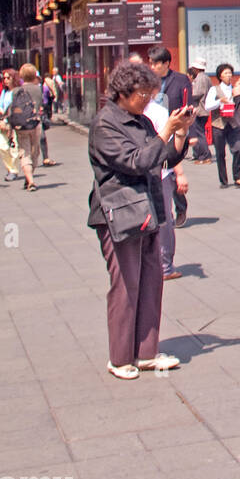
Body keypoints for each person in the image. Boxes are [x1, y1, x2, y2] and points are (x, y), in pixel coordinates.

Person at [88, 58, 191, 378]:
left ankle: (146, 351)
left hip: (148, 209)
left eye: (151, 94)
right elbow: (135, 161)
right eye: (143, 94)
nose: (148, 100)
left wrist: (180, 134)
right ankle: (120, 357)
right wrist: (165, 132)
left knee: (151, 281)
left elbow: (163, 158)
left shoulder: (142, 121)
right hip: (118, 213)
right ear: (123, 92)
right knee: (125, 285)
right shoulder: (105, 124)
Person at [143, 84, 188, 282]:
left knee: (159, 219)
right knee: (163, 221)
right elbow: (166, 145)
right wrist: (179, 173)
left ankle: (159, 264)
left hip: (157, 172)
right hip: (156, 173)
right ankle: (164, 265)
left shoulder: (155, 111)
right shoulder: (156, 112)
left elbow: (169, 149)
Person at [149, 47, 193, 225]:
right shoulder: (149, 80)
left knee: (173, 173)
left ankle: (180, 208)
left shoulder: (180, 80)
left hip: (175, 130)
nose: (151, 66)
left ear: (166, 63)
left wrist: (190, 131)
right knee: (163, 173)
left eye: (155, 63)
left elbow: (188, 105)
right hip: (154, 129)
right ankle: (163, 212)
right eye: (150, 63)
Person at [204, 63, 240, 189]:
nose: (228, 75)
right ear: (220, 76)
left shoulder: (235, 89)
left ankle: (238, 177)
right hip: (218, 123)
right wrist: (219, 101)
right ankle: (223, 180)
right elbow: (207, 106)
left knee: (239, 149)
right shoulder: (214, 90)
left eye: (230, 73)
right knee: (220, 153)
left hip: (233, 122)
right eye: (226, 73)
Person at [7, 64, 46, 191]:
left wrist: (10, 128)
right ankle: (29, 177)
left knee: (24, 152)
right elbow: (39, 106)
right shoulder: (38, 89)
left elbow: (13, 110)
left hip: (21, 125)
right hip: (35, 123)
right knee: (35, 152)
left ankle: (30, 179)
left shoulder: (16, 91)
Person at [0, 68, 21, 181]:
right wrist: (3, 112)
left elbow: (19, 108)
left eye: (8, 78)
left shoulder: (18, 91)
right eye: (4, 78)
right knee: (1, 146)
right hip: (4, 122)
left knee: (14, 148)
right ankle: (10, 167)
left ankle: (13, 171)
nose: (5, 80)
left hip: (14, 123)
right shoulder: (4, 92)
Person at [187, 59, 213, 162]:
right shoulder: (207, 78)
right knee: (199, 132)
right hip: (204, 109)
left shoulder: (200, 78)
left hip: (200, 109)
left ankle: (204, 155)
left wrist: (188, 97)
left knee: (199, 133)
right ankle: (200, 154)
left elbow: (198, 93)